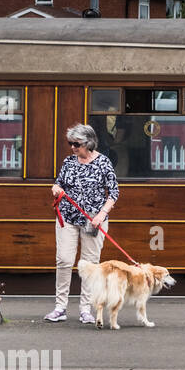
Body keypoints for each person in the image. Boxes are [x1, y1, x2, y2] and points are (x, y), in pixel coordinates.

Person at [44, 124, 119, 323]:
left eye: (76, 144)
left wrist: (101, 215)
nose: (72, 148)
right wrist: (56, 188)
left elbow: (114, 193)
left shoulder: (103, 163)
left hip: (93, 220)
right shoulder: (68, 162)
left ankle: (86, 309)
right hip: (67, 218)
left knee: (89, 265)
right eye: (70, 143)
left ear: (88, 143)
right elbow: (59, 183)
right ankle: (60, 307)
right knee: (64, 260)